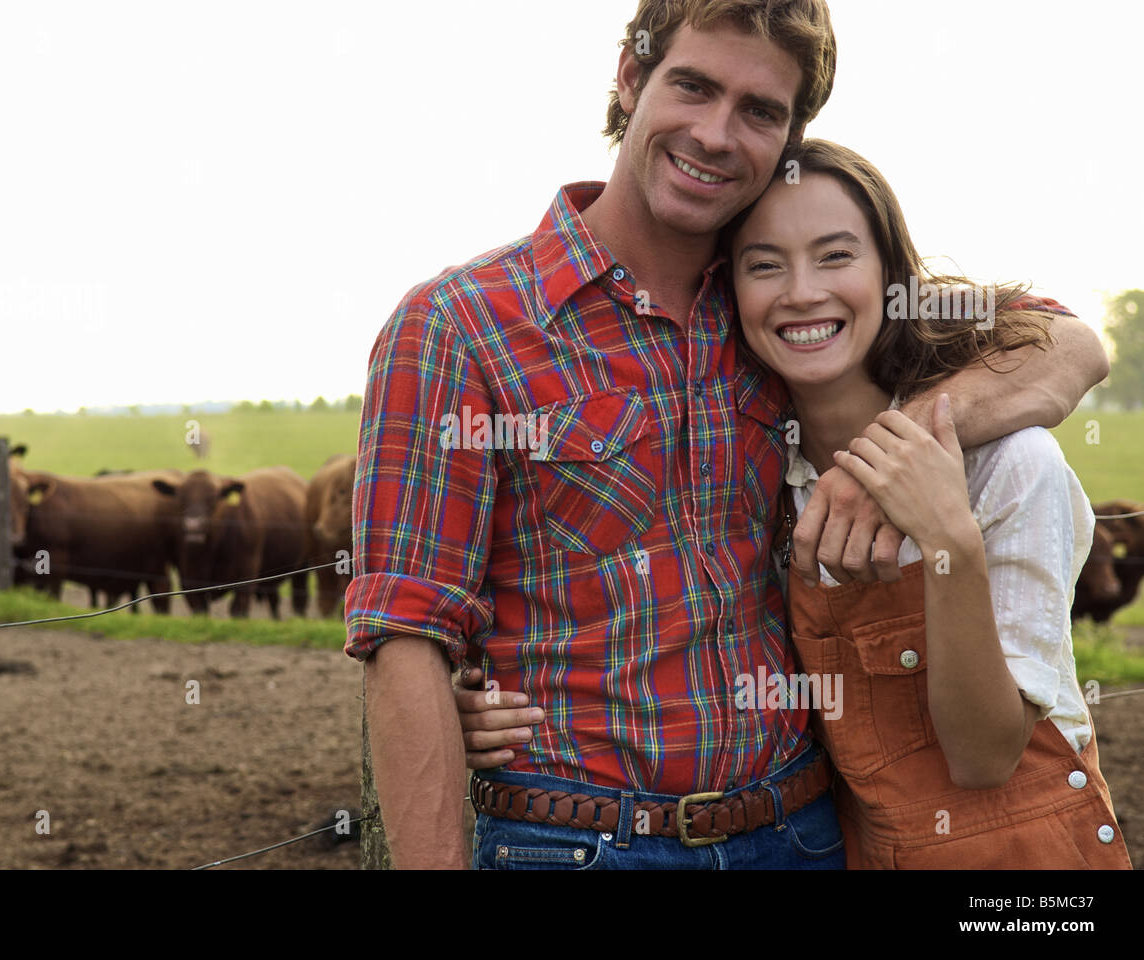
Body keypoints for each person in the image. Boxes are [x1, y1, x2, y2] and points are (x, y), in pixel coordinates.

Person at [347, 0, 1109, 870]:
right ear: (630, 79)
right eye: (692, 86)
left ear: (788, 138)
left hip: (803, 830)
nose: (716, 132)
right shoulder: (461, 325)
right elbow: (405, 629)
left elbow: (1069, 345)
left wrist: (888, 455)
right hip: (575, 838)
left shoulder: (776, 312)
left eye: (759, 111)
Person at [459, 138, 1132, 869]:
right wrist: (485, 697)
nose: (802, 291)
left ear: (892, 278)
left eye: (837, 256)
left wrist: (948, 542)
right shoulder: (760, 464)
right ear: (730, 290)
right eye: (764, 264)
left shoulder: (1008, 462)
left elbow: (984, 758)